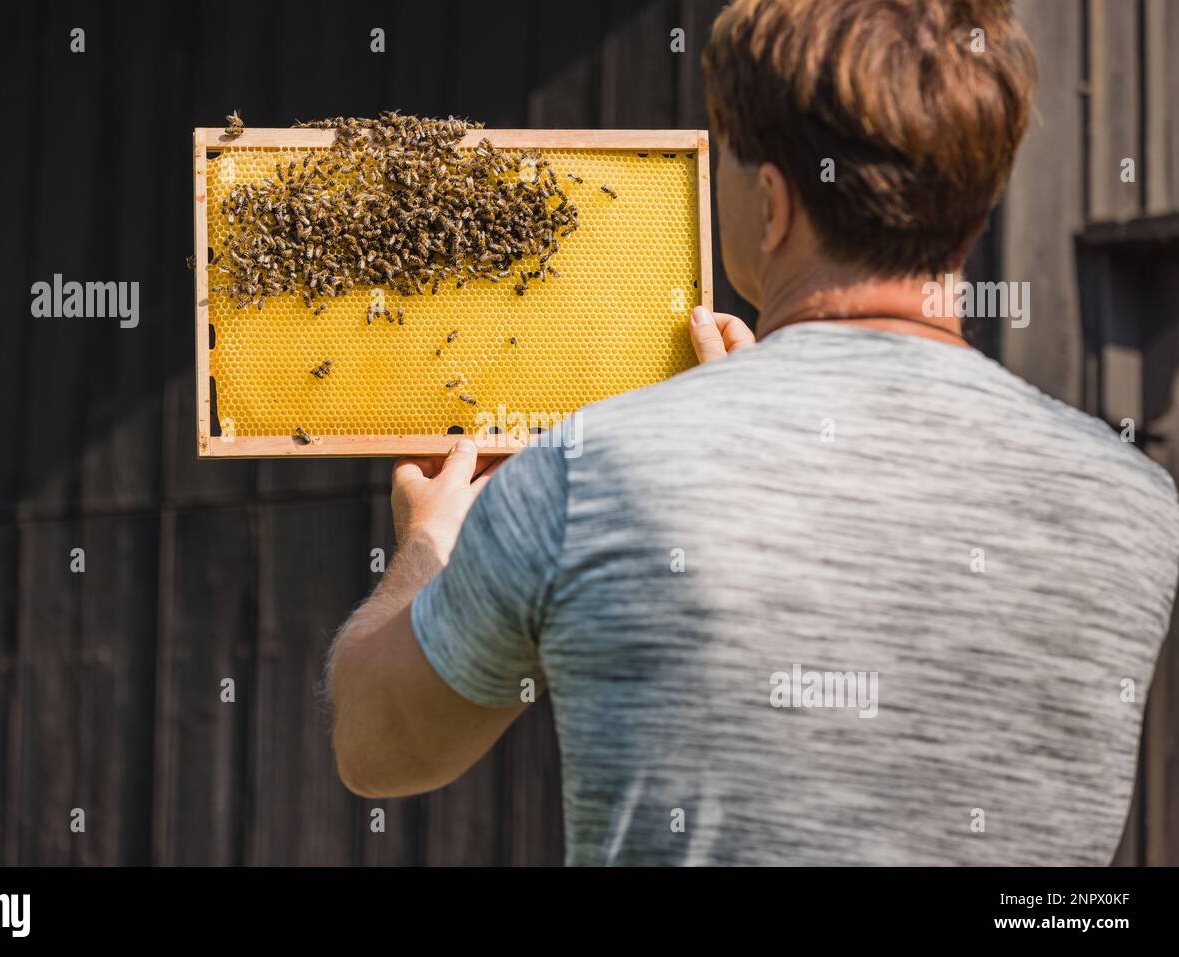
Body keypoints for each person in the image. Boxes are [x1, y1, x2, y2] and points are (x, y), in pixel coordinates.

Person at [327, 0, 1179, 865]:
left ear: (772, 204)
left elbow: (376, 743)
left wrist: (431, 546)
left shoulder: (592, 471)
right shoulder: (1134, 503)